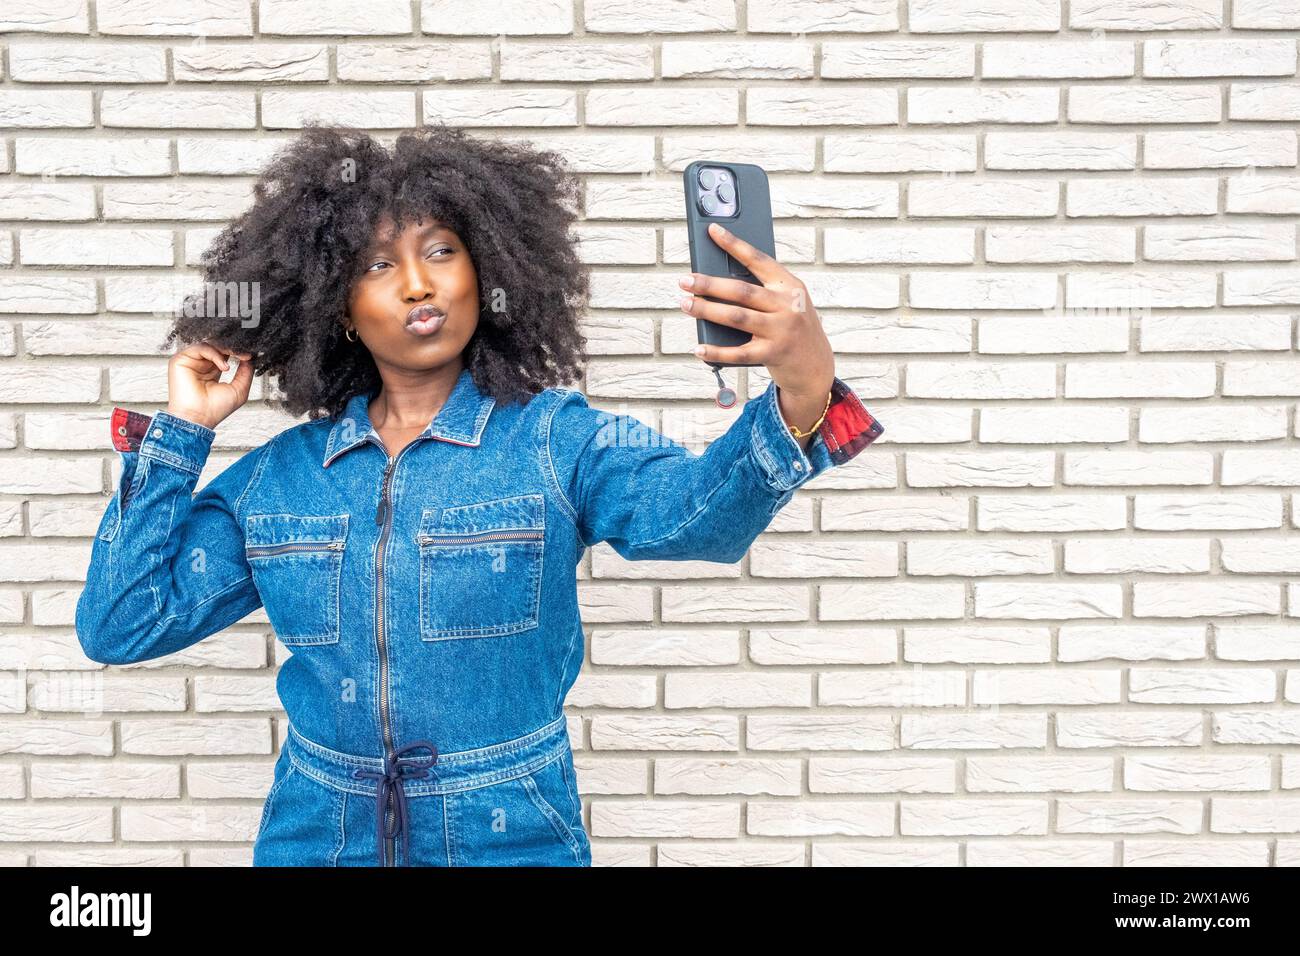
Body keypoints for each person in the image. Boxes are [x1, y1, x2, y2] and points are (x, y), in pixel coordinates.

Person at [75, 123, 883, 867]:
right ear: (340, 309)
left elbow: (698, 518)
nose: (418, 284)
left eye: (443, 252)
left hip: (511, 832)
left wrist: (802, 385)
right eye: (379, 264)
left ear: (487, 270)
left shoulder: (557, 440)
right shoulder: (282, 477)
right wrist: (183, 431)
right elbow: (122, 623)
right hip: (315, 836)